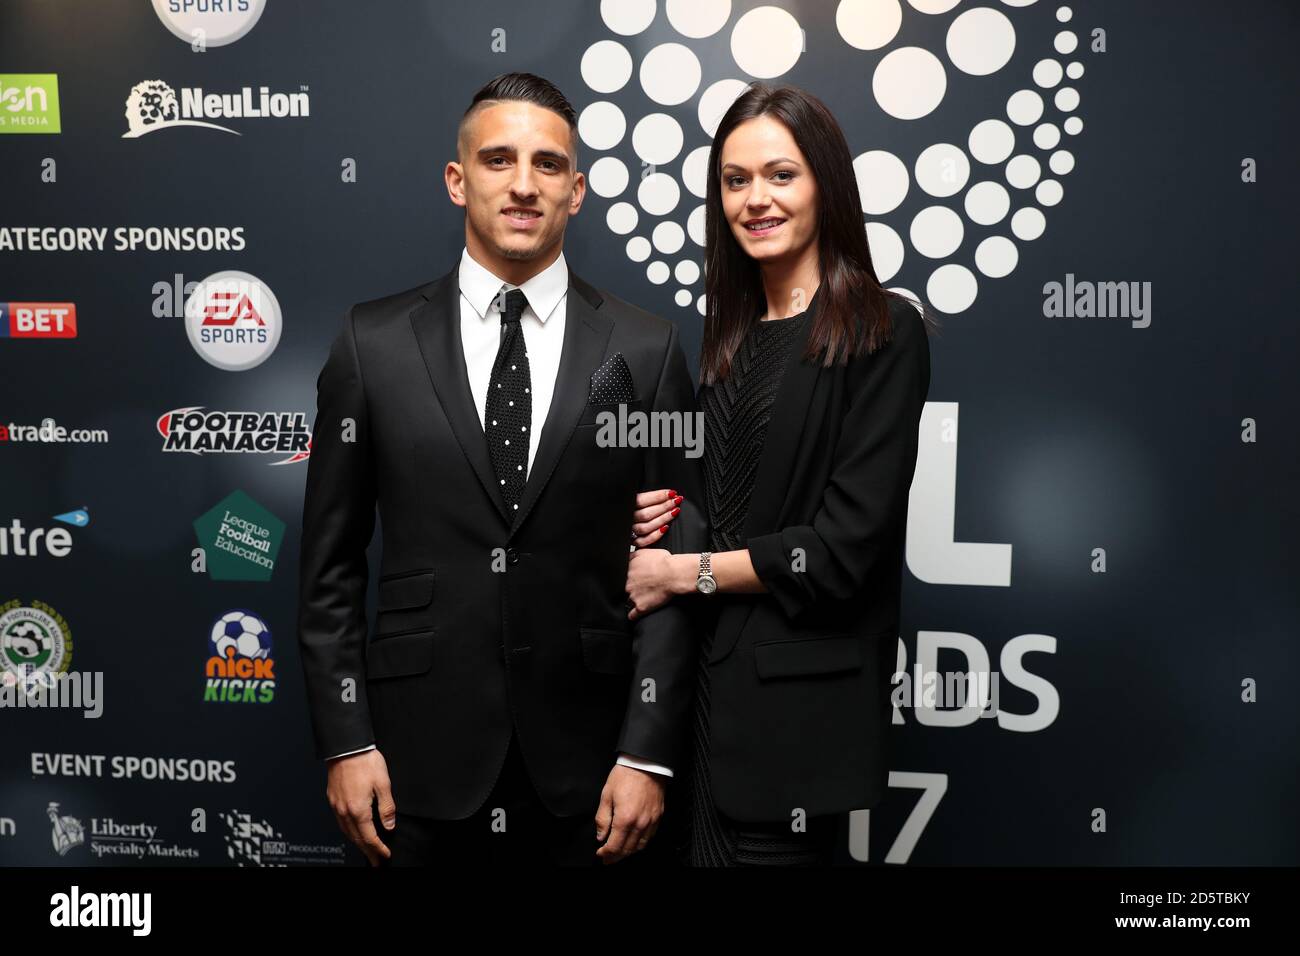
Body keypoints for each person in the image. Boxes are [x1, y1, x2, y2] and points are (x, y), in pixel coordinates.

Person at [297, 73, 707, 867]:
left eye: (548, 165)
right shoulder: (369, 343)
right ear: (458, 180)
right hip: (413, 771)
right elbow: (329, 572)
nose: (524, 184)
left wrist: (646, 754)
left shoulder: (650, 350)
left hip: (590, 777)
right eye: (497, 160)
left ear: (577, 191)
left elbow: (677, 566)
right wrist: (346, 741)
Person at [626, 83, 935, 866]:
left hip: (789, 732)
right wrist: (656, 519)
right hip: (688, 721)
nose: (755, 199)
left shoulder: (884, 331)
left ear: (825, 183)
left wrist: (680, 572)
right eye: (735, 181)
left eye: (780, 174)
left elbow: (837, 553)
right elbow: (711, 502)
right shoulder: (725, 342)